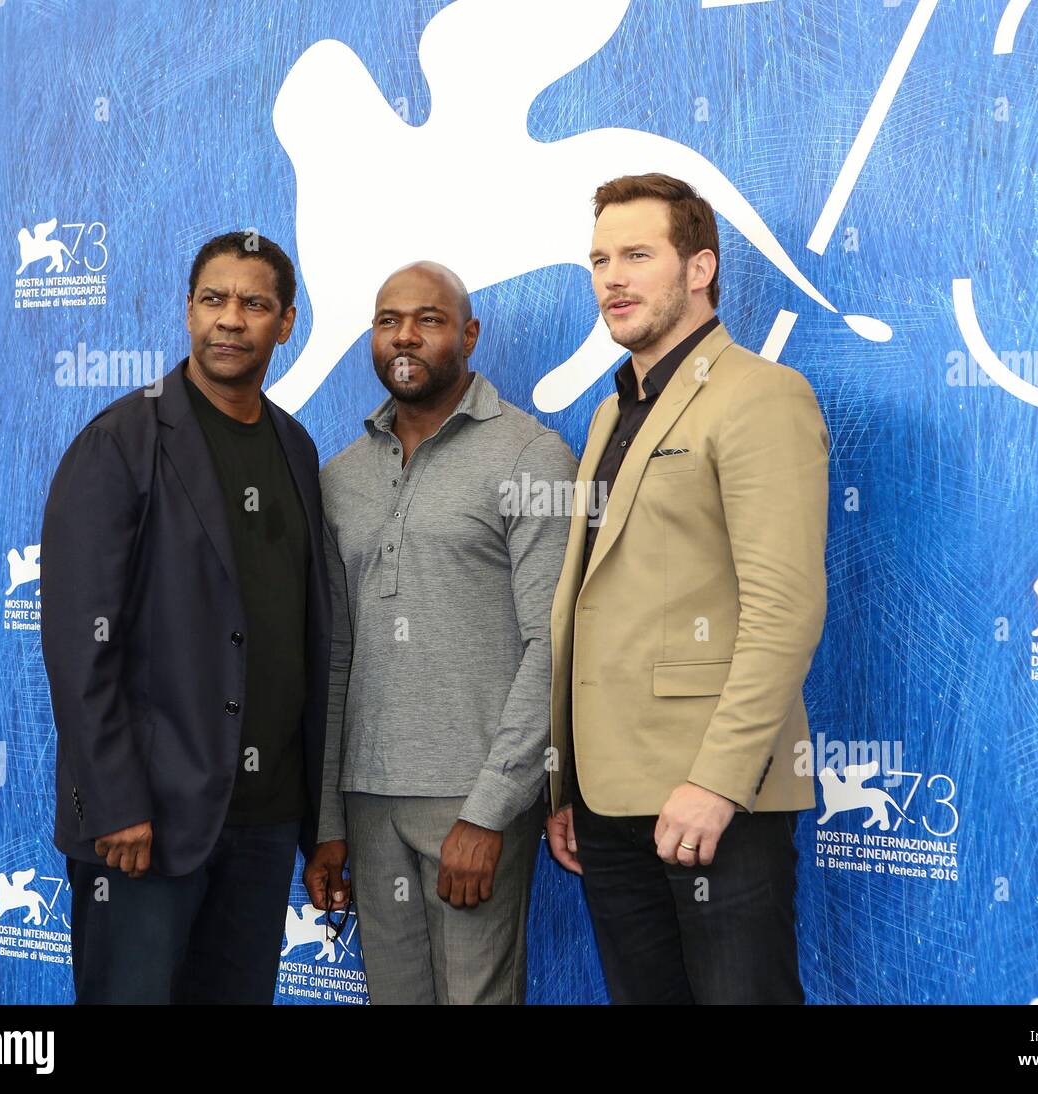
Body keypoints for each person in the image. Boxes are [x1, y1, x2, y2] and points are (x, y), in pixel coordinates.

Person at [544, 174, 830, 1004]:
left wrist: (718, 782)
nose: (612, 280)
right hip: (606, 800)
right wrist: (566, 787)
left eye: (638, 255)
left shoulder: (760, 396)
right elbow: (588, 605)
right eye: (599, 260)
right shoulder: (609, 415)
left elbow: (785, 609)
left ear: (700, 267)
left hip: (715, 798)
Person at [40, 231, 331, 1004]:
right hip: (146, 827)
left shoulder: (296, 448)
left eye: (254, 303)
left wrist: (316, 821)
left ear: (287, 322)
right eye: (214, 300)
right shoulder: (119, 443)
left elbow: (301, 635)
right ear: (188, 311)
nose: (230, 320)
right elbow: (80, 647)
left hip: (264, 824)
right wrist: (117, 804)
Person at [304, 261, 576, 1004]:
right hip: (368, 803)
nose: (406, 335)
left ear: (469, 333)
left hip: (470, 796)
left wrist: (488, 811)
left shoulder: (530, 456)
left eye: (428, 319)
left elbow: (550, 644)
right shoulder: (342, 476)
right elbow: (334, 659)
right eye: (389, 319)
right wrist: (329, 818)